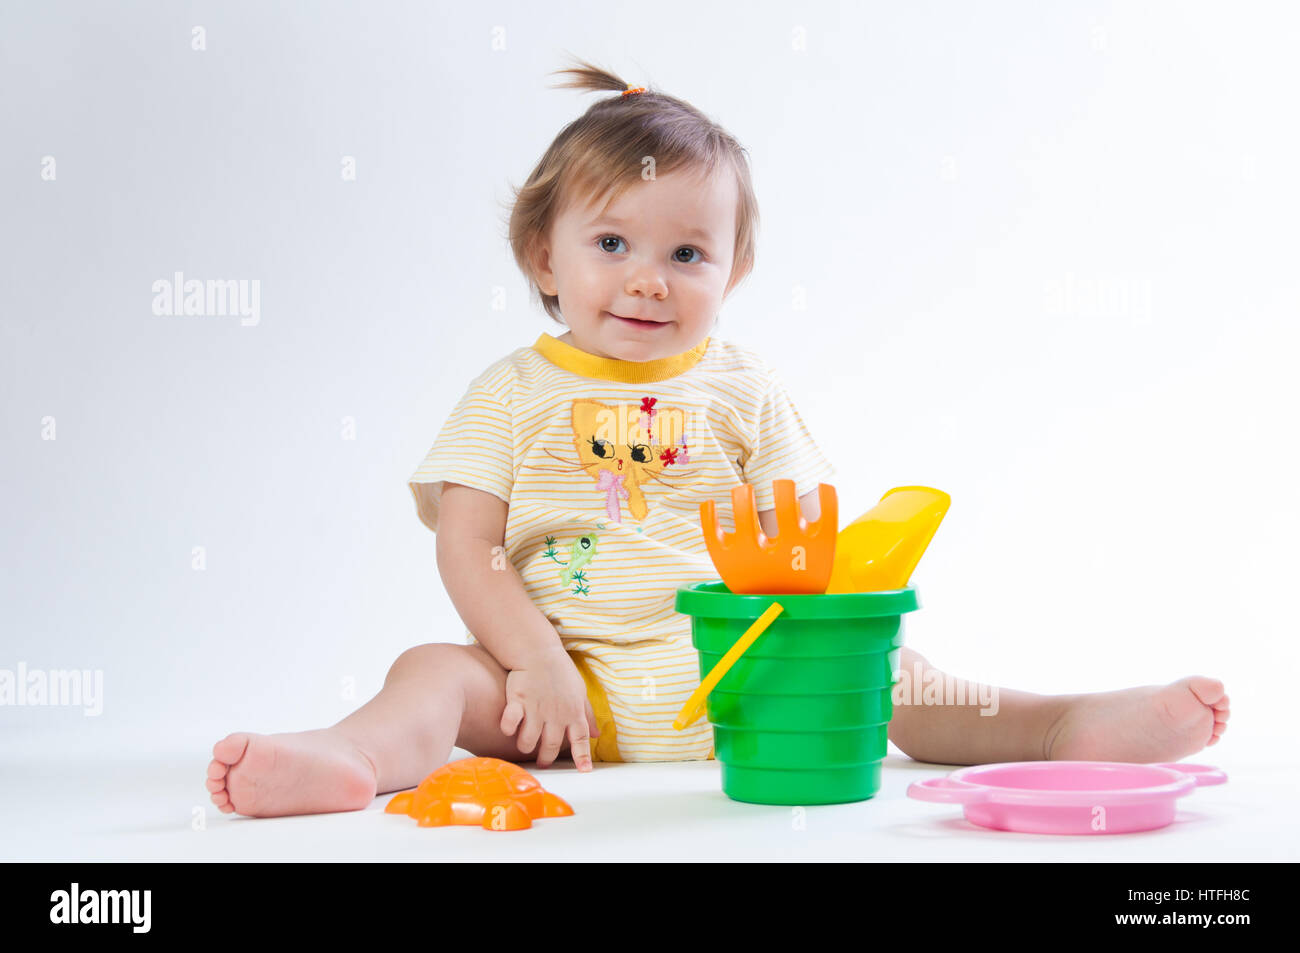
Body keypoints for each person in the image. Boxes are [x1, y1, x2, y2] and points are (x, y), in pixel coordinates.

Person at [206, 59, 1229, 818]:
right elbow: (464, 543)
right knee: (431, 669)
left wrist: (826, 636)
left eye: (687, 251)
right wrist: (532, 662)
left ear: (732, 272)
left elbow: (806, 532)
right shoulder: (510, 392)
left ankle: (1058, 722)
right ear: (542, 255)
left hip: (740, 673)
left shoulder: (743, 388)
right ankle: (342, 757)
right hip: (557, 691)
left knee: (902, 678)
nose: (649, 277)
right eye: (612, 243)